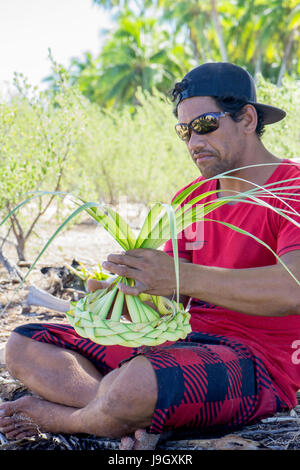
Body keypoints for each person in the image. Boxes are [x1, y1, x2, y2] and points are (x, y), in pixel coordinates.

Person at [0, 62, 299, 450]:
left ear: (247, 117)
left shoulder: (291, 189)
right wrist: (126, 289)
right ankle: (119, 411)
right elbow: (174, 295)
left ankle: (73, 417)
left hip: (256, 362)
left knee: (136, 384)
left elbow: (293, 288)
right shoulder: (192, 198)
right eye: (184, 130)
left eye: (206, 124)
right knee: (25, 344)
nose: (194, 142)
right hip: (180, 340)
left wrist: (178, 278)